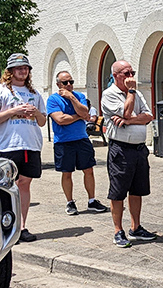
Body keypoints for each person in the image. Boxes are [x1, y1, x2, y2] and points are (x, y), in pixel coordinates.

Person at [101, 61, 157, 248]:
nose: (131, 76)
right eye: (127, 73)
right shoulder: (109, 95)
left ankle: (136, 227)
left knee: (138, 190)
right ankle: (118, 230)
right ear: (116, 75)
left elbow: (149, 116)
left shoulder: (138, 93)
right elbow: (125, 111)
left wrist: (130, 120)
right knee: (118, 192)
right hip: (121, 149)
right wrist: (130, 94)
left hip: (139, 149)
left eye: (132, 72)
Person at [46, 71, 108, 215]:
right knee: (67, 173)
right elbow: (60, 120)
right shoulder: (53, 100)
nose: (69, 85)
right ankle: (70, 202)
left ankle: (92, 200)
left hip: (82, 139)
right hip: (63, 142)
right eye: (65, 83)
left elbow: (85, 113)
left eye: (71, 82)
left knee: (89, 170)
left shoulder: (79, 96)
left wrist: (72, 98)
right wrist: (78, 116)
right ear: (58, 85)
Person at [0, 54, 47, 242]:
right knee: (6, 187)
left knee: (24, 184)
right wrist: (14, 111)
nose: (23, 71)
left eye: (25, 68)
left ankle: (21, 227)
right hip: (8, 145)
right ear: (10, 71)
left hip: (31, 145)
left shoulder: (34, 94)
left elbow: (43, 122)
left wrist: (35, 113)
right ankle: (6, 225)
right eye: (19, 68)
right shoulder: (2, 90)